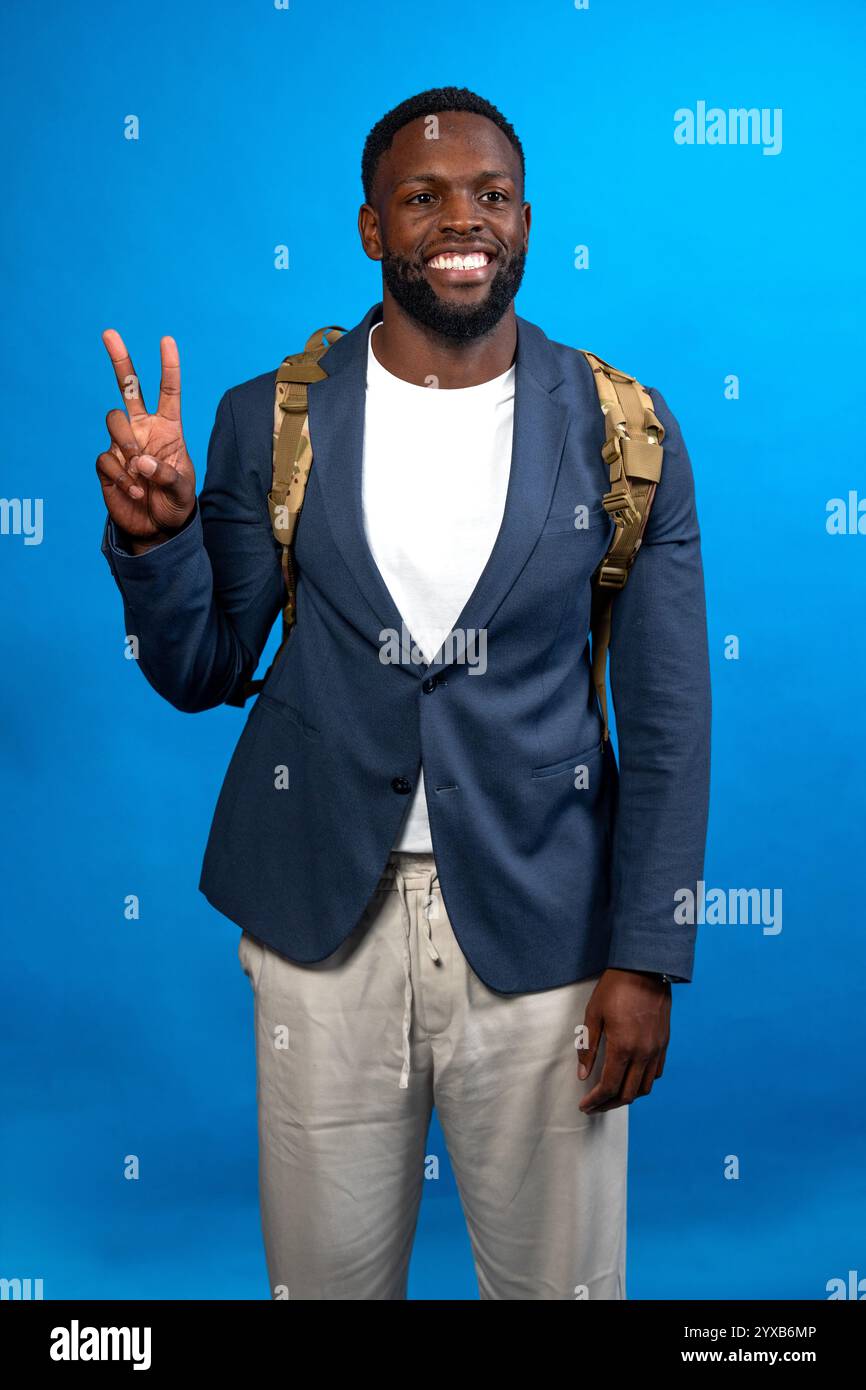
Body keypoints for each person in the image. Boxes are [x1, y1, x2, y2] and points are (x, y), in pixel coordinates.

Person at [97, 86, 711, 1301]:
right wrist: (157, 544)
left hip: (546, 930)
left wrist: (646, 957)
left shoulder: (621, 430)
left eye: (488, 195)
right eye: (422, 198)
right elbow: (203, 670)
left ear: (525, 218)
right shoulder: (265, 421)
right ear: (372, 230)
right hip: (322, 920)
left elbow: (668, 721)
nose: (459, 220)